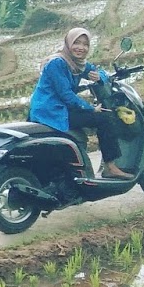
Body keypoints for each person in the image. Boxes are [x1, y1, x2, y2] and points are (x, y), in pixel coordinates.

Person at [30, 26, 126, 178]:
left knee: (99, 118)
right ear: (68, 44)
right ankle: (110, 167)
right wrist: (90, 108)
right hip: (51, 111)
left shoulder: (77, 63)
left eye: (85, 44)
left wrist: (99, 76)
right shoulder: (57, 63)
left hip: (62, 108)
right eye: (76, 43)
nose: (81, 48)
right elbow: (66, 94)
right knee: (105, 119)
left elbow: (97, 70)